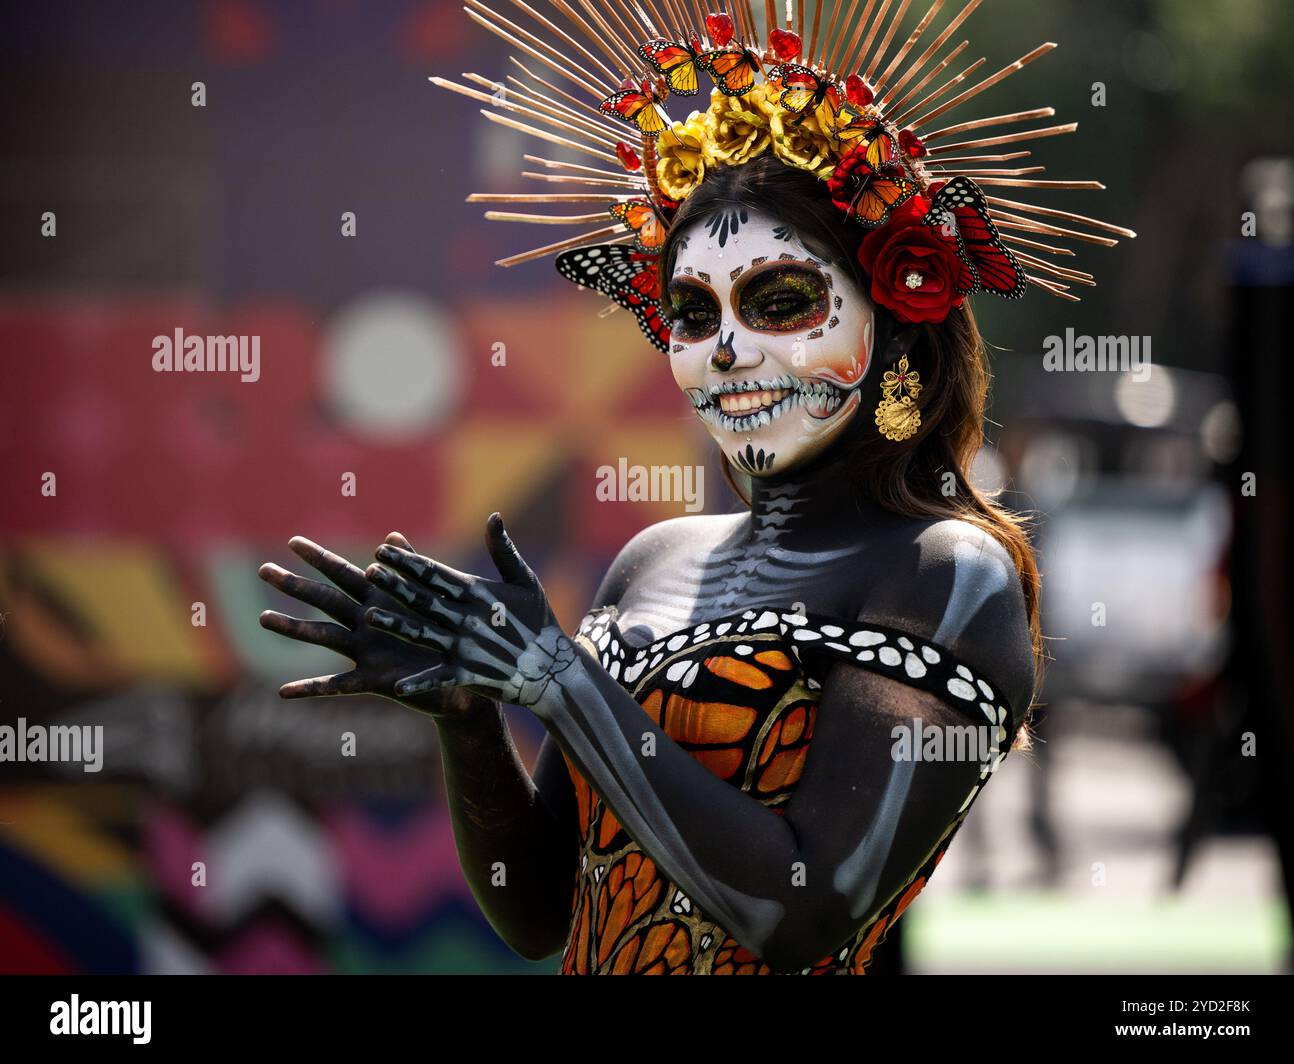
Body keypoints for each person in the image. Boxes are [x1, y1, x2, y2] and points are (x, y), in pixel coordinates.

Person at [258, 2, 1132, 974]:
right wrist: (473, 718)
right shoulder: (651, 561)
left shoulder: (945, 572)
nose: (724, 346)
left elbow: (807, 911)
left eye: (780, 300)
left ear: (891, 322)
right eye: (690, 310)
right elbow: (539, 912)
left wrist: (561, 679)